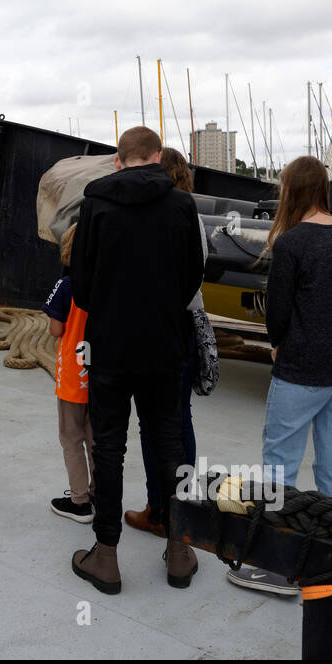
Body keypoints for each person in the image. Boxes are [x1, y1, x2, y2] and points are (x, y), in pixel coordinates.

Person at [69, 126, 204, 594]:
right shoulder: (183, 206)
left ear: (118, 159)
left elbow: (81, 285)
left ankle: (106, 555)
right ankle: (180, 551)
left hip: (111, 346)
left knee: (109, 446)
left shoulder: (96, 206)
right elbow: (192, 278)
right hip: (165, 345)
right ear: (159, 156)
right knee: (167, 441)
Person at [228, 155, 332, 596]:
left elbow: (278, 312)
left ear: (290, 190)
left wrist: (278, 345)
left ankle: (278, 566)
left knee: (278, 469)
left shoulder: (290, 243)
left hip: (302, 370)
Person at [125, 146, 205, 537]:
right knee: (181, 420)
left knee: (149, 423)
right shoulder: (193, 214)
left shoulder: (154, 213)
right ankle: (183, 508)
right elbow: (198, 271)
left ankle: (158, 508)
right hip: (187, 325)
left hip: (154, 328)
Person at [44, 224, 95, 523]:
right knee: (97, 439)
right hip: (100, 377)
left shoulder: (65, 286)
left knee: (71, 437)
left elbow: (56, 328)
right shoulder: (107, 284)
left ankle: (79, 501)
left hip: (74, 378)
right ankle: (100, 493)